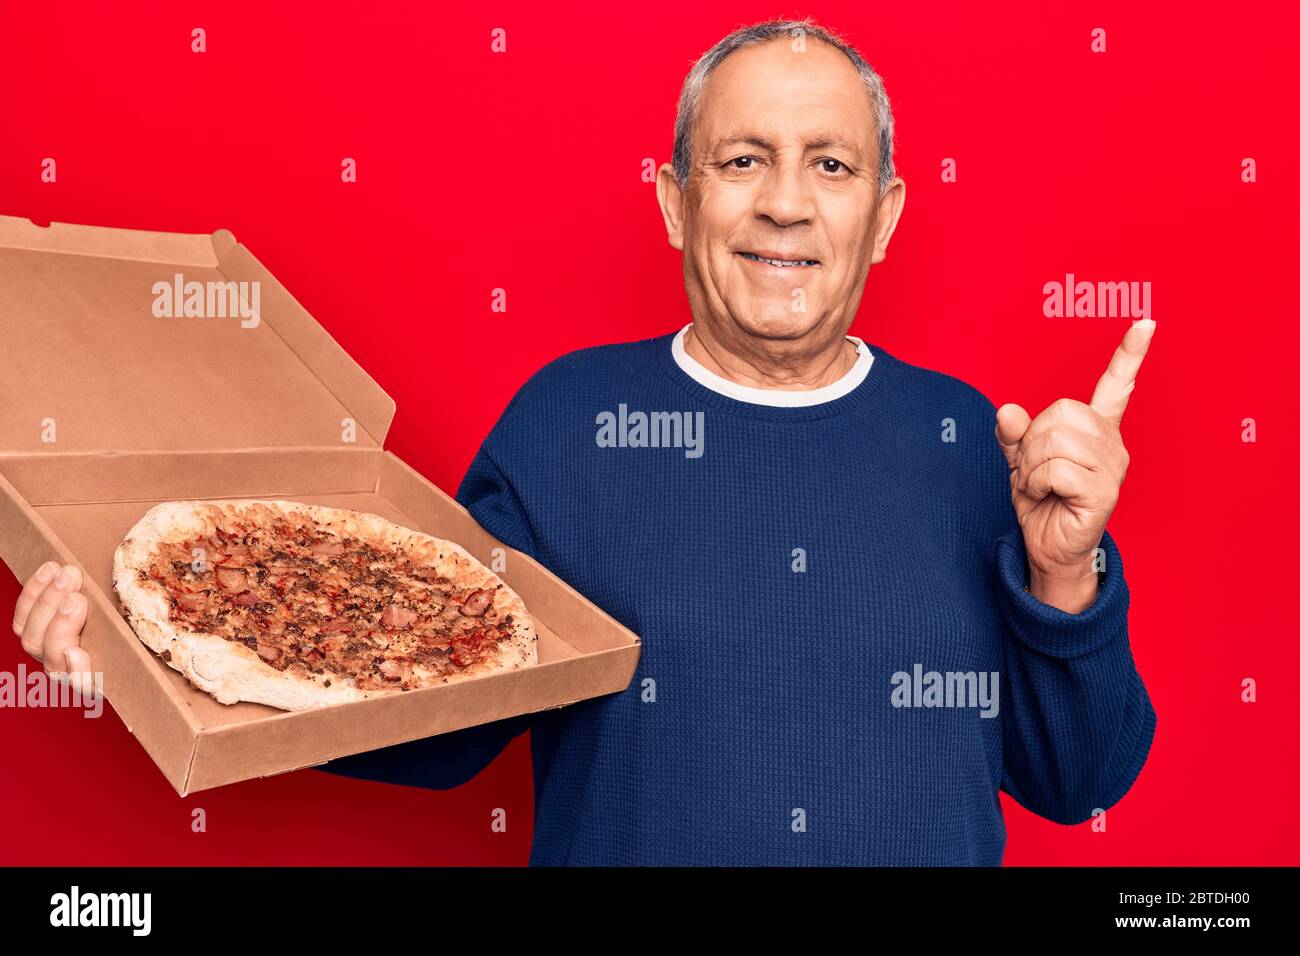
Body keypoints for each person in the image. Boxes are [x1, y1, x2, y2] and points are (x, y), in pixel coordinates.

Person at [12, 18, 1156, 865]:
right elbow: (438, 723)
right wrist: (145, 655)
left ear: (887, 213)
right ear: (672, 200)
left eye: (831, 165)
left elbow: (1078, 779)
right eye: (742, 159)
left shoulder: (971, 439)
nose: (785, 205)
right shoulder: (569, 421)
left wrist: (1064, 572)